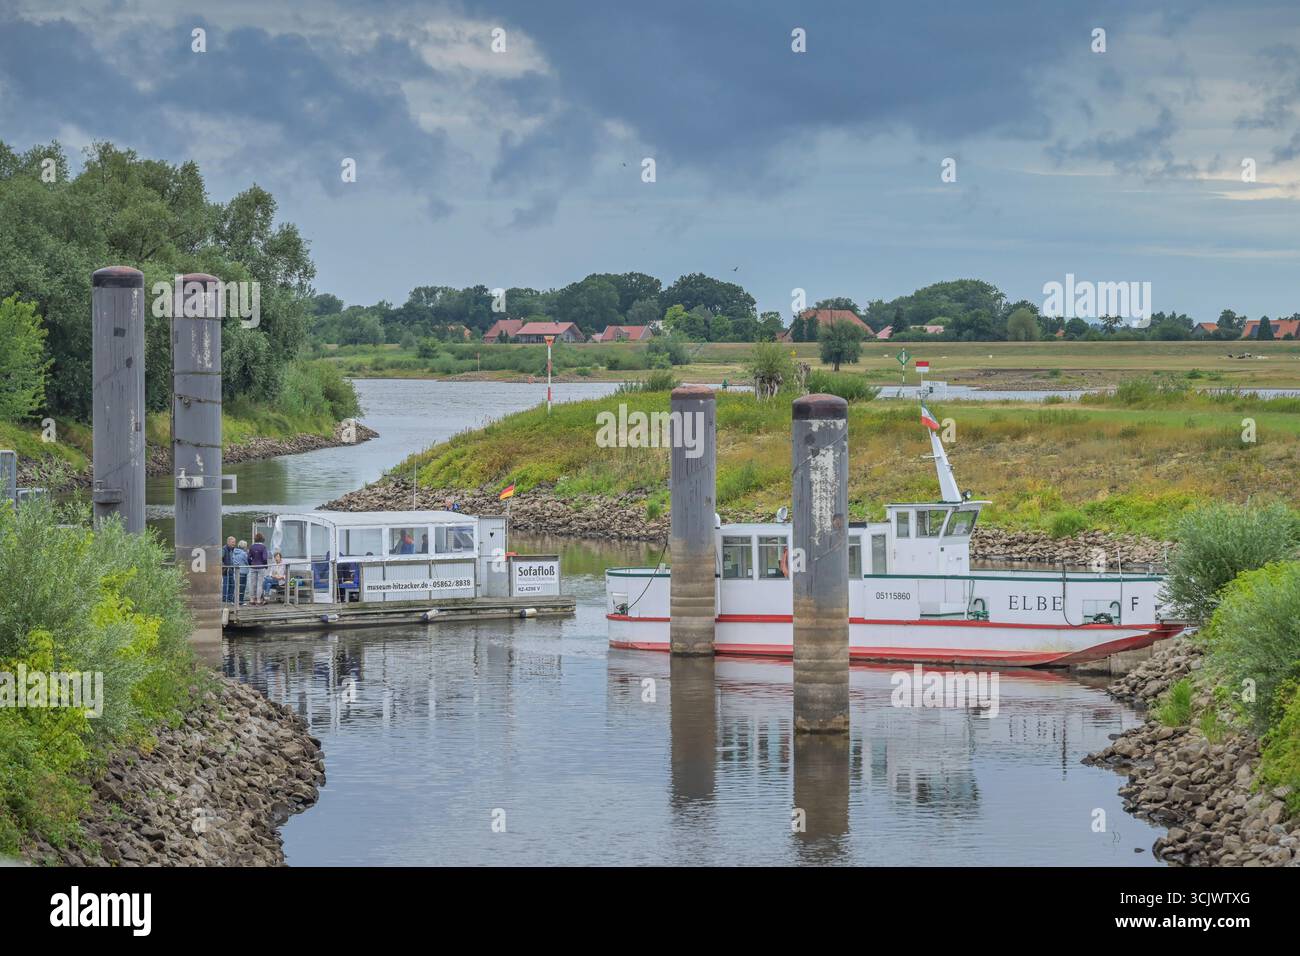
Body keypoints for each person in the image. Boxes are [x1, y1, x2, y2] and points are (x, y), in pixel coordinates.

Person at [247, 532, 269, 606]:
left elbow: (248, 557)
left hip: (253, 566)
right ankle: (259, 600)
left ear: (255, 539)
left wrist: (251, 564)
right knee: (259, 584)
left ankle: (252, 599)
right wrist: (265, 565)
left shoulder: (252, 547)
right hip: (261, 567)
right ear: (262, 539)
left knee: (252, 584)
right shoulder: (263, 547)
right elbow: (265, 558)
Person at [232, 539, 251, 606]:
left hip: (236, 571)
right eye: (246, 546)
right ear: (244, 547)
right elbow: (247, 562)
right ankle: (240, 601)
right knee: (242, 587)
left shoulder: (234, 552)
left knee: (236, 587)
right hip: (243, 572)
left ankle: (234, 600)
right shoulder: (243, 553)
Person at [221, 536, 236, 604]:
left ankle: (230, 598)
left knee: (232, 584)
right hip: (225, 570)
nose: (234, 544)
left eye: (234, 542)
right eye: (233, 542)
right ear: (228, 542)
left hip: (231, 570)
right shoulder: (224, 549)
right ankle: (224, 598)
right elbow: (220, 558)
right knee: (225, 584)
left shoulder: (232, 549)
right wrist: (224, 567)